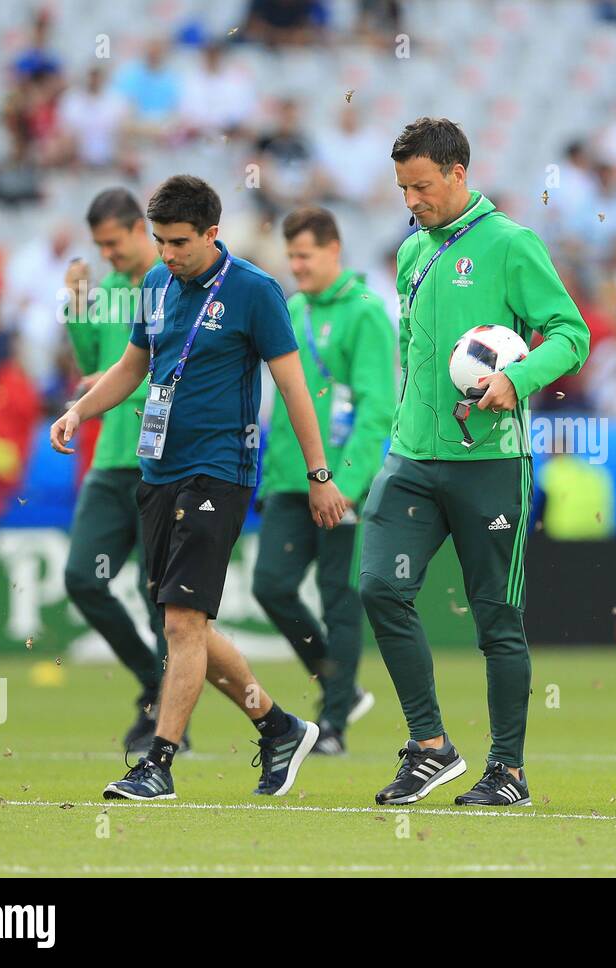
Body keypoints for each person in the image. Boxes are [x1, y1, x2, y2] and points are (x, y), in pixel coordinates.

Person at [49, 175, 348, 800]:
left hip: (220, 471)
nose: (166, 254)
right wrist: (82, 408)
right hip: (157, 471)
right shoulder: (156, 285)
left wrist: (321, 476)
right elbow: (133, 367)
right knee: (183, 624)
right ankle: (279, 726)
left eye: (179, 242)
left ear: (214, 233)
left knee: (183, 620)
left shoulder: (255, 292)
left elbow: (295, 388)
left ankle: (158, 760)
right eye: (158, 241)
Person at [360, 117, 590, 807]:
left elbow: (570, 335)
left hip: (490, 462)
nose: (412, 201)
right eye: (403, 187)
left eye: (422, 186)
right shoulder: (409, 254)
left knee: (496, 619)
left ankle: (509, 772)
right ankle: (430, 746)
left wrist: (513, 380)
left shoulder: (512, 245)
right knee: (378, 586)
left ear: (459, 173)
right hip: (411, 459)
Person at [253, 206, 396, 754]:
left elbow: (375, 407)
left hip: (339, 483)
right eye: (290, 256)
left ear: (334, 250)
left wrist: (349, 481)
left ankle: (333, 722)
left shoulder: (366, 313)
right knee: (270, 583)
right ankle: (341, 683)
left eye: (304, 255)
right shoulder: (289, 309)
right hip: (291, 478)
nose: (296, 265)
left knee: (339, 594)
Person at [61, 188, 172, 753]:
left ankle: (166, 722)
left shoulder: (171, 285)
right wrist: (78, 306)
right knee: (82, 577)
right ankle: (155, 683)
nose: (108, 255)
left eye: (113, 243)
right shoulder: (105, 292)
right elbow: (89, 366)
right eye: (99, 246)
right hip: (110, 463)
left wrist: (113, 371)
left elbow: (153, 365)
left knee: (158, 594)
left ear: (137, 230)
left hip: (159, 459)